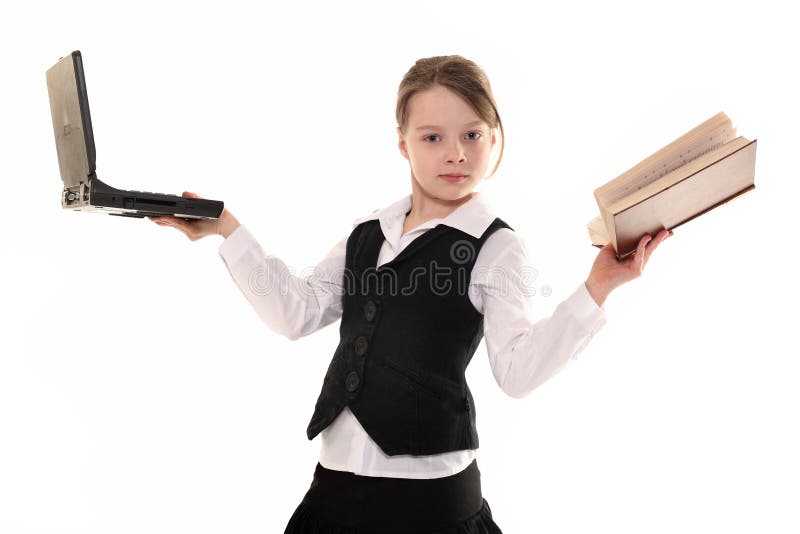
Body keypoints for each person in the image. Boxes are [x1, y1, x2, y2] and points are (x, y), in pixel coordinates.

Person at [149, 55, 671, 533]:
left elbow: (517, 372)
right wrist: (226, 228)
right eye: (432, 138)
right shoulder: (367, 232)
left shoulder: (497, 246)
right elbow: (296, 313)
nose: (457, 155)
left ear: (495, 137)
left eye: (472, 134)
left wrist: (598, 287)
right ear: (403, 143)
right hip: (334, 493)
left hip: (431, 505)